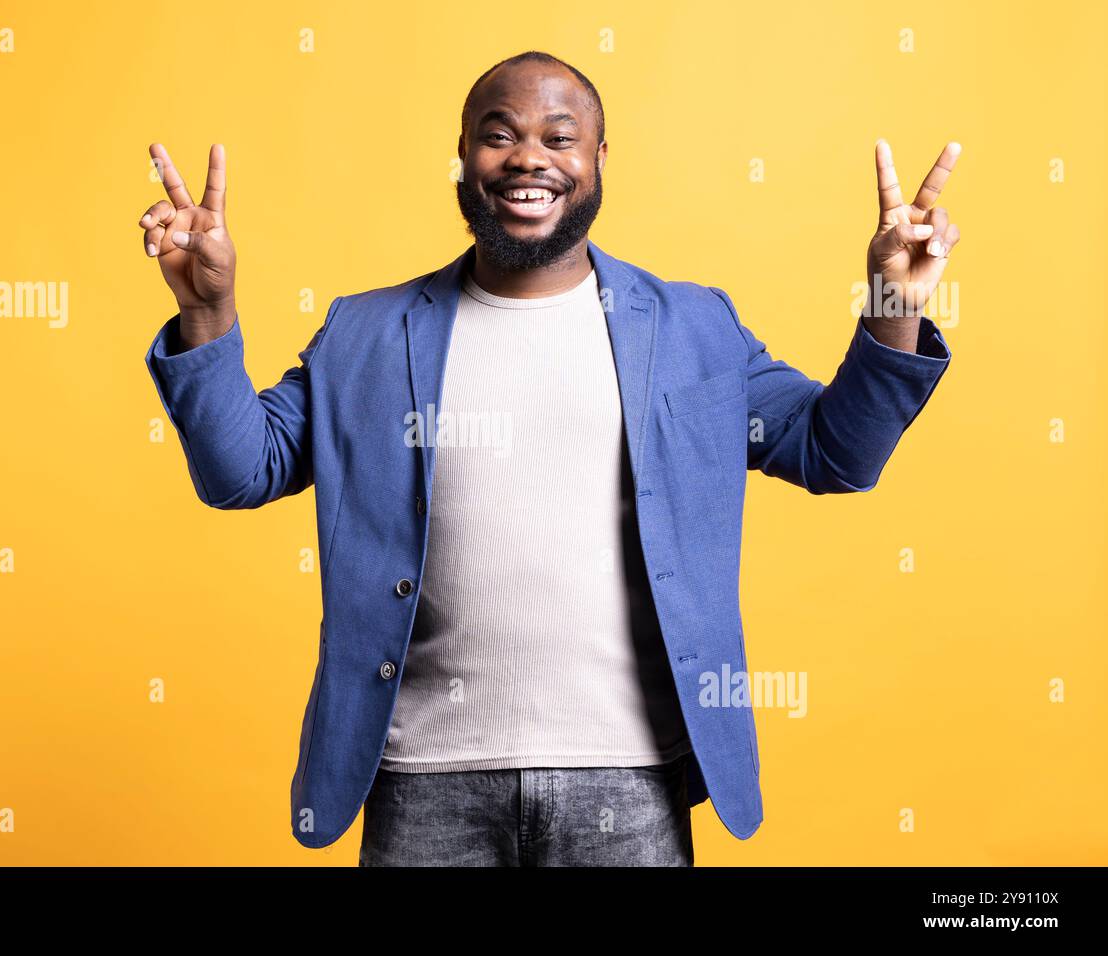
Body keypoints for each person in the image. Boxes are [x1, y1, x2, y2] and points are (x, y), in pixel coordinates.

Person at [138, 51, 958, 866]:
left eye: (559, 138)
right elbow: (243, 470)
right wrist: (207, 312)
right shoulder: (364, 334)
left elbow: (836, 451)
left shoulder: (695, 329)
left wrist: (893, 303)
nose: (529, 157)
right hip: (422, 783)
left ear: (599, 160)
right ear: (462, 156)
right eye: (499, 135)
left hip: (632, 782)